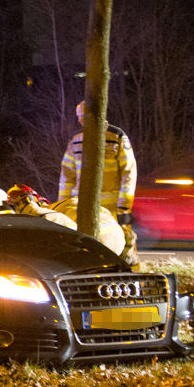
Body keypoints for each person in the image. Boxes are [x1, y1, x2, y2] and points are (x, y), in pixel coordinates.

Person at [56, 100, 138, 264]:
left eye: (83, 116)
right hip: (84, 208)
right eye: (79, 117)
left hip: (112, 209)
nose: (80, 121)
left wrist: (124, 207)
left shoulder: (116, 137)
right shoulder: (76, 141)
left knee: (124, 248)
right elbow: (67, 176)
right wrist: (62, 206)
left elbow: (129, 172)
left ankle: (133, 278)